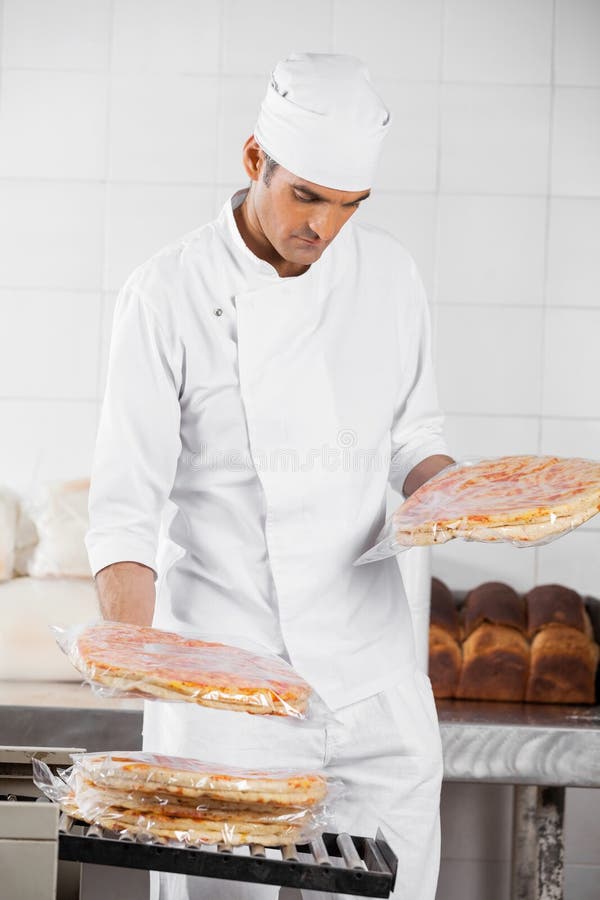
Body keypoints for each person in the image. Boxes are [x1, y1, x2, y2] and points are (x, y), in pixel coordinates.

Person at [85, 52, 454, 900]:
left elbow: (415, 438)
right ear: (256, 159)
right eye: (306, 196)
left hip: (372, 682)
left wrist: (467, 494)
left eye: (347, 207)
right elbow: (125, 511)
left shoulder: (390, 275)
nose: (323, 228)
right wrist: (139, 660)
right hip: (227, 690)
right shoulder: (165, 294)